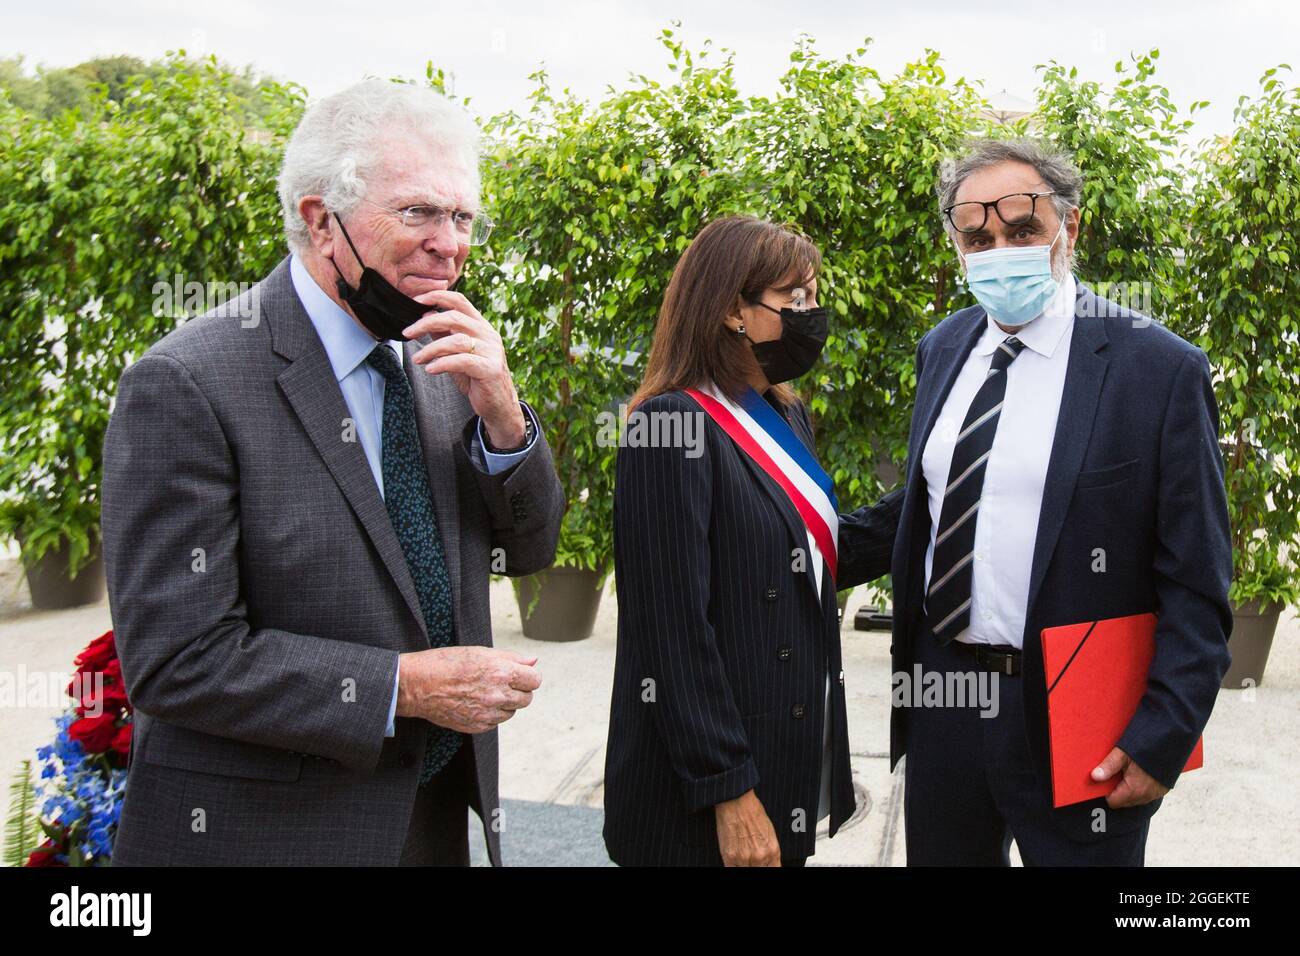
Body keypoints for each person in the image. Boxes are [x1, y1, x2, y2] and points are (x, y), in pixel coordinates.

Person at [101, 79, 564, 866]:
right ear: (320, 221)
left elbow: (530, 551)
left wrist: (505, 416)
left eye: (462, 218)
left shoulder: (444, 360)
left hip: (432, 822)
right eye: (418, 212)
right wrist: (406, 689)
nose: (448, 243)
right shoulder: (188, 383)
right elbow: (177, 662)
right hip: (269, 837)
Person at [888, 138, 1231, 865]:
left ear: (1069, 229)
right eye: (977, 237)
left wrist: (1161, 737)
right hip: (945, 701)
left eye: (1022, 230)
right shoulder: (942, 349)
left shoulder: (1158, 369)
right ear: (955, 244)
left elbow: (1197, 577)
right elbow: (939, 502)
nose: (999, 249)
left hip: (1084, 715)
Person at [603, 215, 904, 866]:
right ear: (732, 310)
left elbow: (813, 558)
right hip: (705, 791)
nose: (813, 315)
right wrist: (728, 790)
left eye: (815, 296)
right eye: (796, 299)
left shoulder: (782, 410)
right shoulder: (671, 425)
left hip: (780, 754)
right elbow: (671, 633)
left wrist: (931, 499)